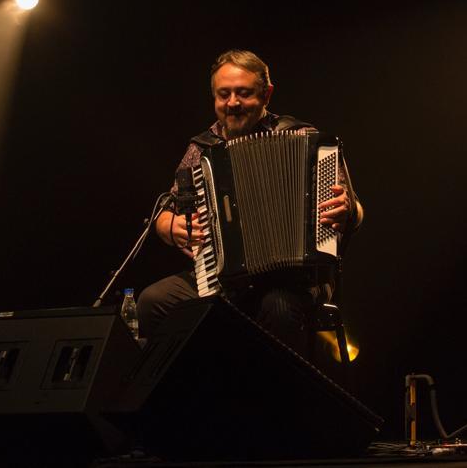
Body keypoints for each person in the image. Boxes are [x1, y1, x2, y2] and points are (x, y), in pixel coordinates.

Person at [137, 50, 363, 354]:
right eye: (224, 94)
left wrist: (346, 210)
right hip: (220, 275)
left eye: (244, 93)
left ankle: (266, 397)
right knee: (152, 302)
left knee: (278, 308)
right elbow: (168, 210)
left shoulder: (306, 139)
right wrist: (169, 226)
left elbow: (356, 212)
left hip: (296, 279)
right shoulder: (202, 148)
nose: (232, 103)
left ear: (266, 94)